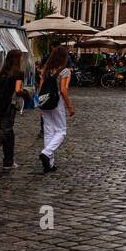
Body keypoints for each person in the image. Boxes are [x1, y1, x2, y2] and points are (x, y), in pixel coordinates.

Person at [39, 45, 74, 174]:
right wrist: (70, 106)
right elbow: (64, 90)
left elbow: (41, 87)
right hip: (56, 101)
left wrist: (40, 101)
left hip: (44, 101)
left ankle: (50, 163)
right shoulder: (64, 71)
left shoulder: (45, 70)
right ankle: (46, 153)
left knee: (49, 131)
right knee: (61, 131)